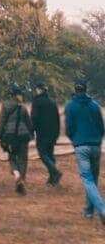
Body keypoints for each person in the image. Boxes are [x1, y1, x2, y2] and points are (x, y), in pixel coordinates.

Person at [65, 78, 105, 224]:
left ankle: (102, 209)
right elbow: (101, 127)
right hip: (95, 145)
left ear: (75, 89)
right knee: (93, 179)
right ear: (86, 89)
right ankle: (88, 212)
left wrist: (74, 140)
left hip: (81, 145)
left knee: (87, 179)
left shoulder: (70, 106)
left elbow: (69, 128)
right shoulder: (95, 105)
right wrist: (97, 139)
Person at [0, 84, 34, 194]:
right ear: (17, 95)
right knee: (23, 159)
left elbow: (1, 122)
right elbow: (29, 123)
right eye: (21, 95)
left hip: (10, 136)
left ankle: (17, 175)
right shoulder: (22, 107)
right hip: (23, 136)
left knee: (12, 157)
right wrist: (32, 134)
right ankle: (22, 180)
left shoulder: (5, 106)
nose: (22, 97)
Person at [30, 82, 62, 186]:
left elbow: (34, 118)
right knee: (50, 154)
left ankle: (55, 172)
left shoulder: (37, 102)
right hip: (53, 133)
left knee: (43, 154)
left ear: (39, 89)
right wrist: (57, 133)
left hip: (42, 132)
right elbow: (57, 119)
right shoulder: (52, 102)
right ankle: (52, 179)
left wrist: (31, 131)